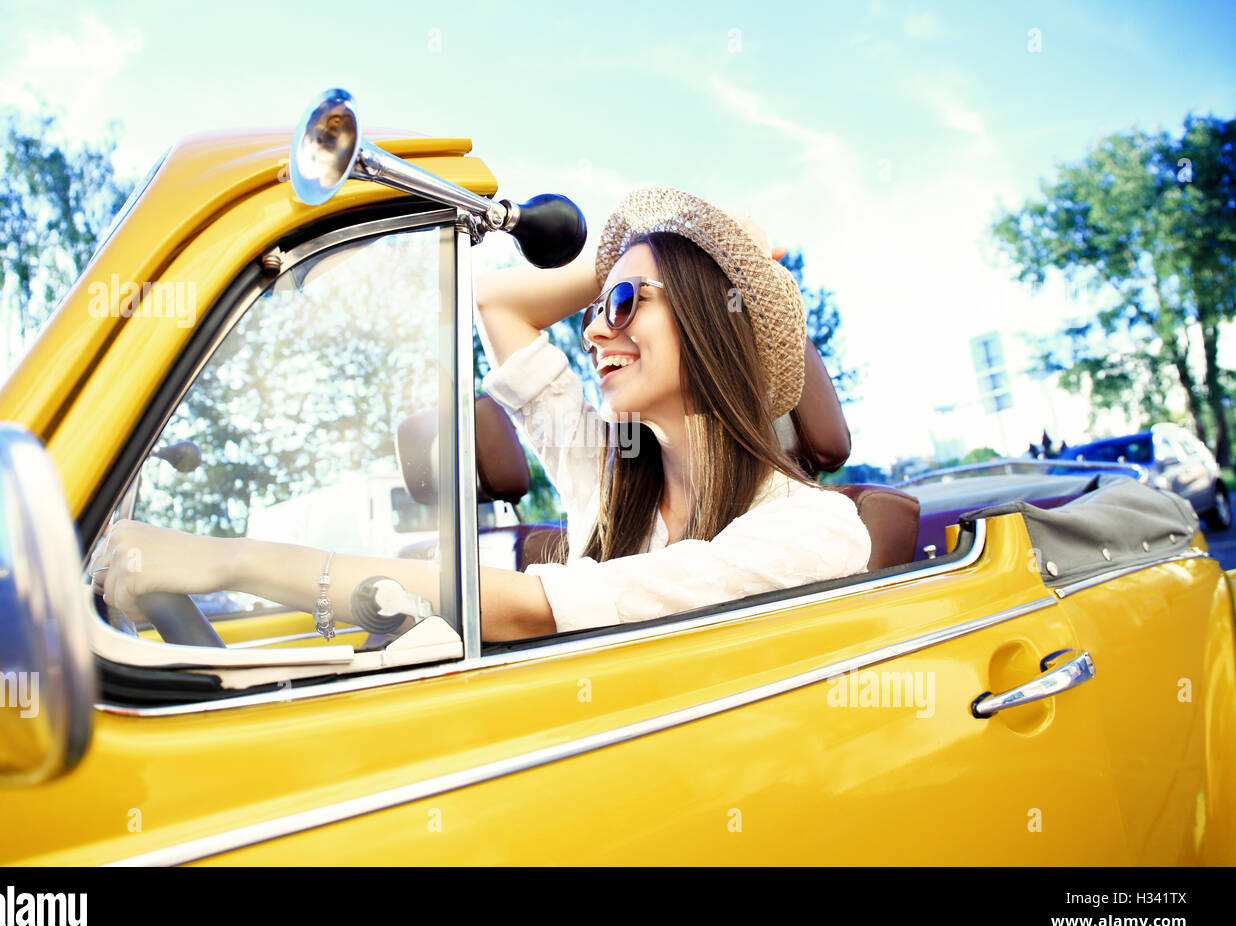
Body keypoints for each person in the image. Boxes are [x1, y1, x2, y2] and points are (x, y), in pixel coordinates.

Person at [91, 186, 871, 643]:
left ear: (710, 325)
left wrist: (229, 560)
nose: (595, 328)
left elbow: (534, 609)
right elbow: (496, 302)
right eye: (596, 308)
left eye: (627, 304)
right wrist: (648, 257)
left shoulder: (813, 531)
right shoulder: (612, 482)